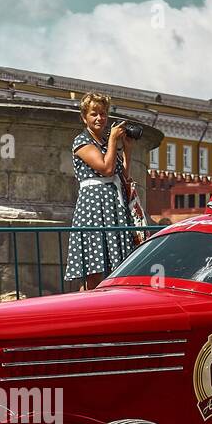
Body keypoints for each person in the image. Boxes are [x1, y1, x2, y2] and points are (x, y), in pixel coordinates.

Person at [64, 92, 136, 290]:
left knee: (118, 267)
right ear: (84, 117)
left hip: (113, 207)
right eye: (94, 114)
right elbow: (106, 168)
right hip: (93, 209)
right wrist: (113, 140)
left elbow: (121, 176)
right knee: (94, 272)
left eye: (103, 114)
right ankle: (84, 309)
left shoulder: (105, 142)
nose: (99, 118)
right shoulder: (81, 142)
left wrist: (127, 149)